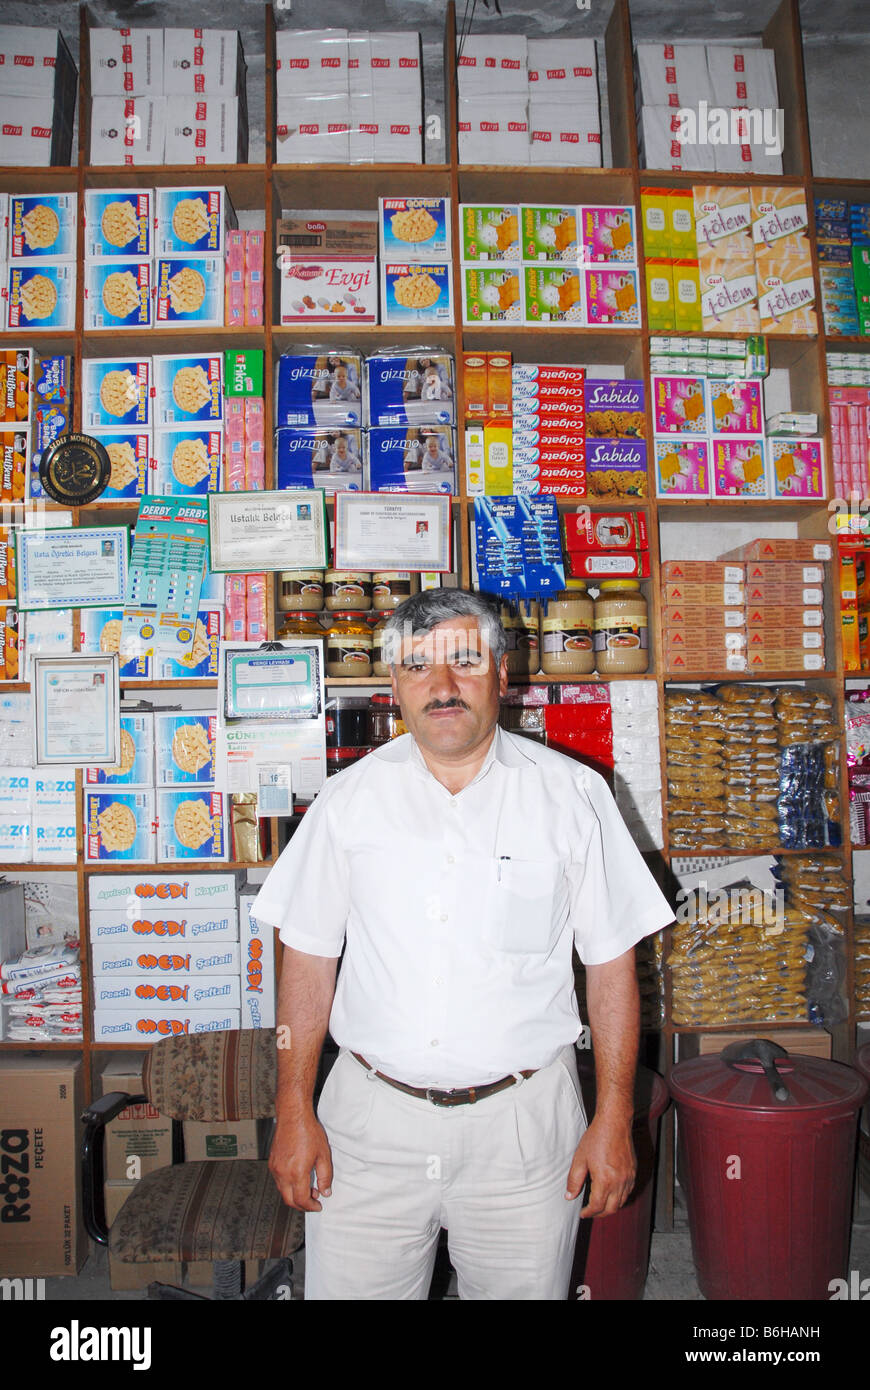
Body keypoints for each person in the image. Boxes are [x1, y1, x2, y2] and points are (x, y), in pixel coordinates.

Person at [254, 588, 674, 1300]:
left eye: (465, 662)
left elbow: (610, 970)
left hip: (525, 1127)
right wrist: (293, 1109)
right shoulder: (347, 802)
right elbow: (307, 964)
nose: (442, 687)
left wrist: (613, 1118)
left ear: (503, 675)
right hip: (369, 1125)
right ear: (394, 687)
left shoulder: (573, 796)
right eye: (418, 666)